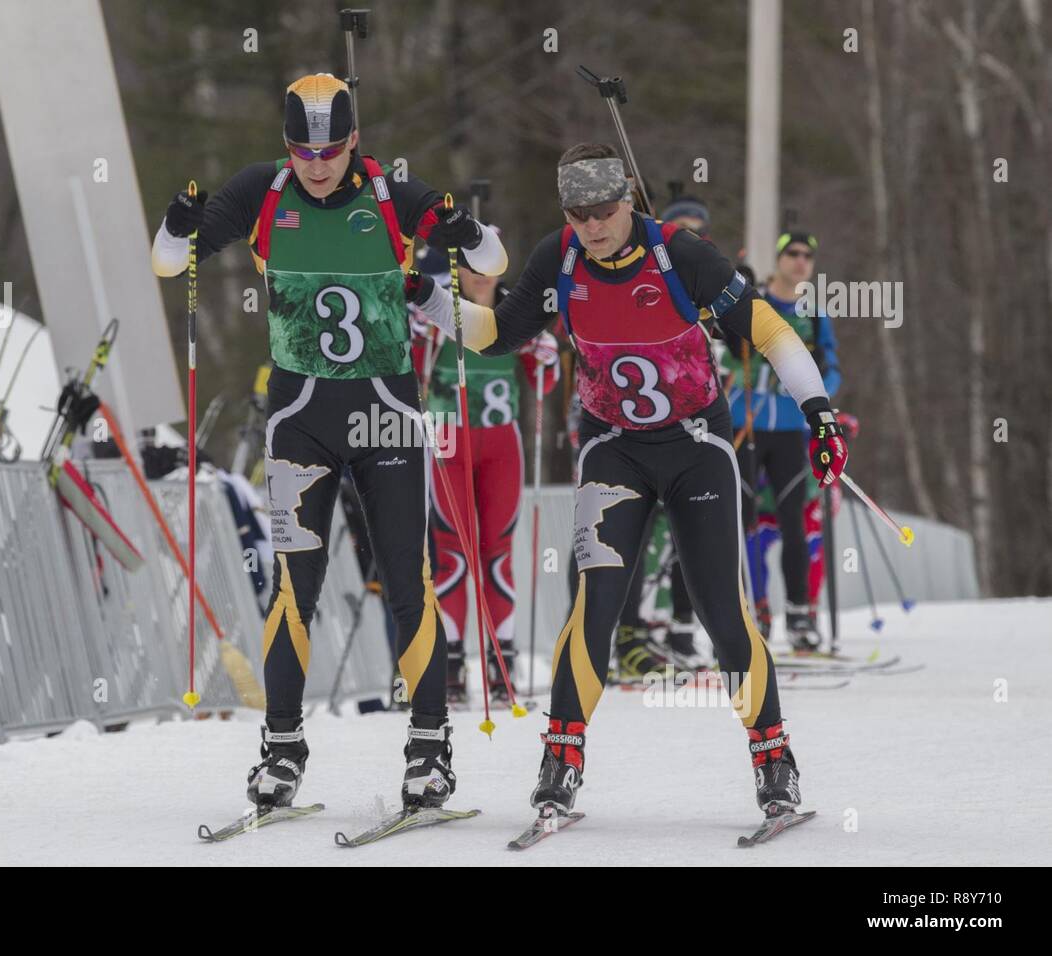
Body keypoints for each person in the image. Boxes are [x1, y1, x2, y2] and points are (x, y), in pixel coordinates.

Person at [407, 144, 847, 819]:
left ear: (629, 200)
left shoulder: (679, 253)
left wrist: (817, 413)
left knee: (719, 608)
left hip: (697, 448)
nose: (594, 225)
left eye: (605, 211)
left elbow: (765, 328)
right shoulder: (559, 257)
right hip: (613, 450)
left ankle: (773, 757)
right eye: (579, 214)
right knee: (595, 605)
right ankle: (561, 759)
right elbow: (497, 334)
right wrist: (430, 299)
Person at [150, 73, 507, 811]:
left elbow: (492, 273)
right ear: (287, 147)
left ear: (354, 142)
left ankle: (428, 751)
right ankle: (282, 751)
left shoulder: (392, 198)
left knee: (408, 581)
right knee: (293, 587)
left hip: (385, 418)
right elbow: (167, 263)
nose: (317, 164)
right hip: (299, 421)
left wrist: (468, 233)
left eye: (331, 149)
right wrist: (175, 223)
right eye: (302, 150)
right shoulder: (261, 193)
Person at [410, 243, 559, 706]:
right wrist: (417, 337)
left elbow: (542, 384)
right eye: (470, 269)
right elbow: (411, 373)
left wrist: (545, 354)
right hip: (448, 438)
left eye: (488, 269)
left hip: (501, 444)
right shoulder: (437, 315)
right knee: (453, 552)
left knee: (498, 553)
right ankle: (450, 665)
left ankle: (502, 663)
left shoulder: (514, 317)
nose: (481, 277)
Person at [722, 229, 841, 649]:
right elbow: (726, 351)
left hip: (791, 430)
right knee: (744, 522)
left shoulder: (813, 312)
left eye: (807, 255)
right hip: (748, 425)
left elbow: (832, 370)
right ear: (778, 259)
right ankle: (752, 612)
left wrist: (819, 387)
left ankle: (800, 615)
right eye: (791, 253)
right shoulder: (758, 302)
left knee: (793, 522)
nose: (800, 261)